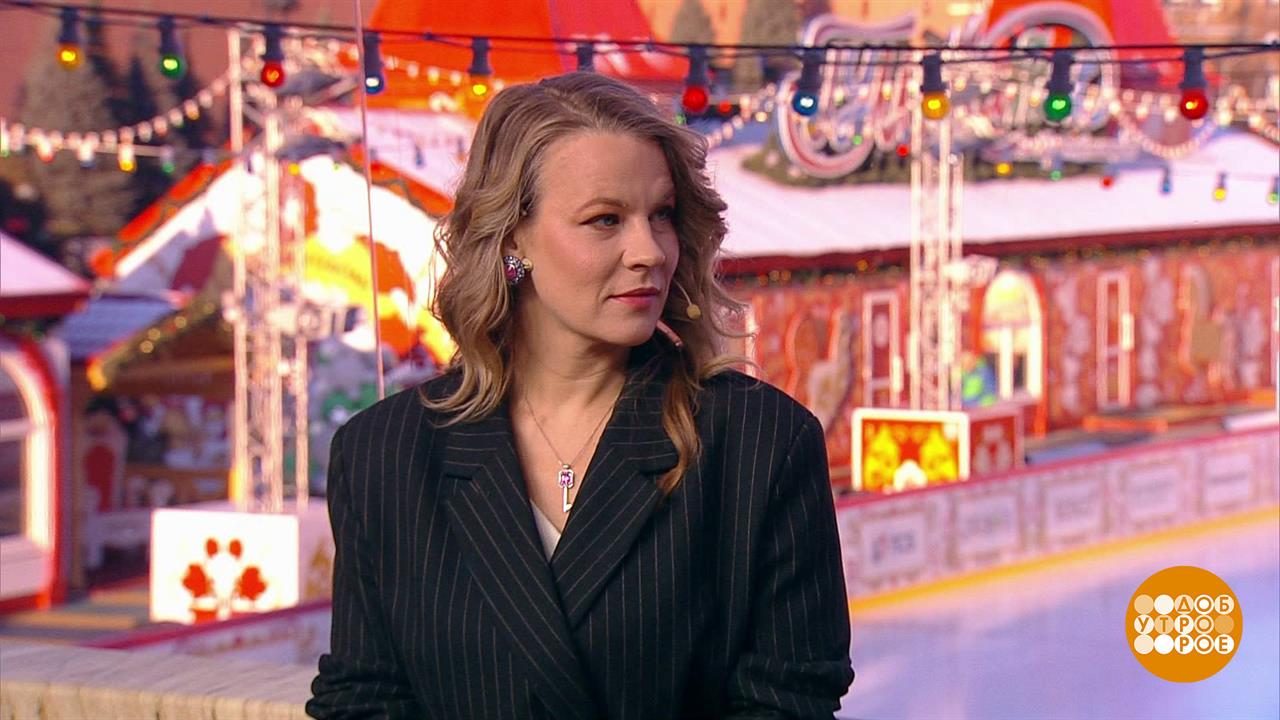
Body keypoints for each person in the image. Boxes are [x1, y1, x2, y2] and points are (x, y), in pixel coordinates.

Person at [307, 71, 854, 719]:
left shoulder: (761, 442)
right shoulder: (383, 454)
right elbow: (365, 699)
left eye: (661, 215)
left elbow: (788, 701)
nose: (649, 251)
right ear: (513, 240)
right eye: (605, 220)